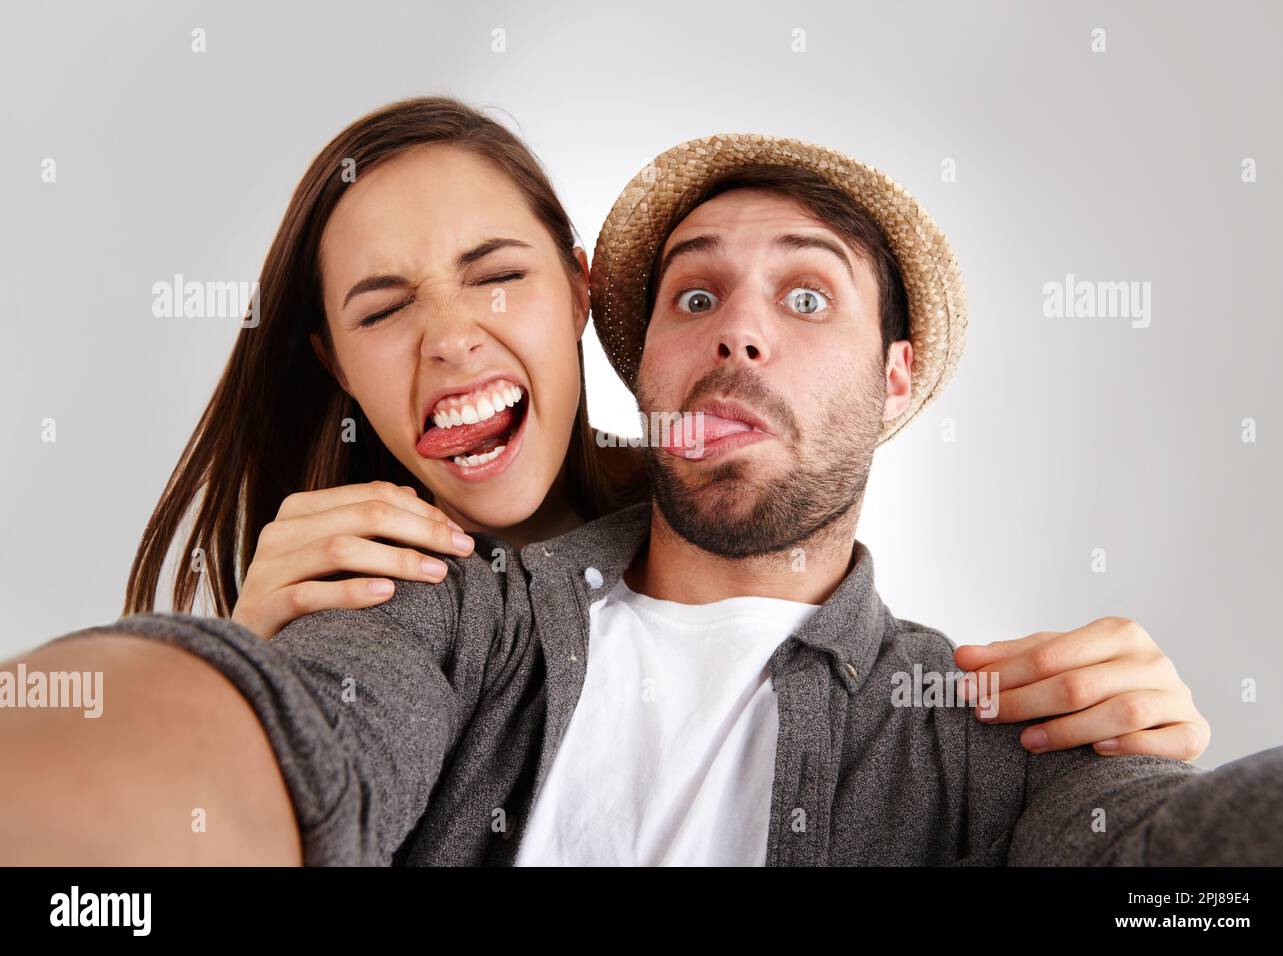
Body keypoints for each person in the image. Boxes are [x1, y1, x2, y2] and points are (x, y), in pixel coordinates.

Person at [4, 132, 1283, 866]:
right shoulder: (442, 611)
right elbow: (293, 744)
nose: (737, 333)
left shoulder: (975, 735)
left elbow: (1158, 864)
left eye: (805, 296)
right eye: (693, 295)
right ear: (636, 357)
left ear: (897, 378)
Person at [119, 97, 1206, 760]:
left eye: (498, 276)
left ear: (581, 293)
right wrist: (237, 678)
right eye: (384, 306)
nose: (449, 339)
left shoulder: (717, 517)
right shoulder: (364, 603)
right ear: (334, 364)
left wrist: (1132, 720)